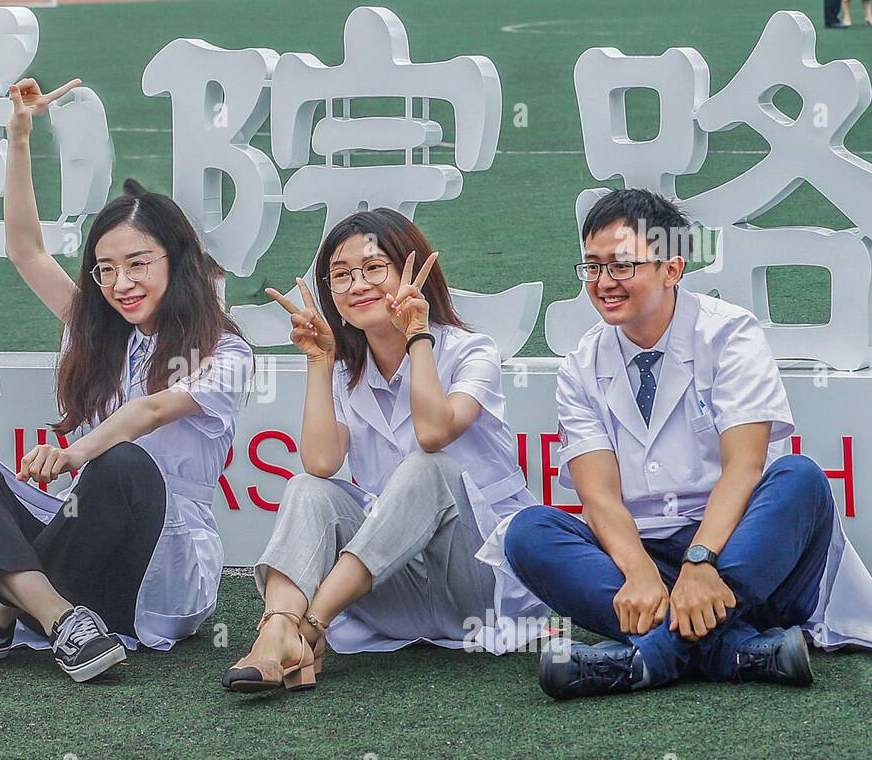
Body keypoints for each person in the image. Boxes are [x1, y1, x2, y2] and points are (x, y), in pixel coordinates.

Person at [0, 78, 254, 683]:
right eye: (105, 269)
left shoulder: (225, 349)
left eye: (138, 264)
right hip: (75, 542)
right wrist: (18, 135)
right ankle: (59, 619)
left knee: (125, 465)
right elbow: (26, 249)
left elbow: (151, 412)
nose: (120, 284)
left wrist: (73, 452)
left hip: (155, 562)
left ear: (179, 261)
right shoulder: (92, 326)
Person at [495, 188, 872, 701]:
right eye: (592, 267)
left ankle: (649, 656)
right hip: (644, 563)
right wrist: (639, 570)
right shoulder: (581, 364)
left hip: (742, 557)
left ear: (672, 268)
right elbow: (599, 496)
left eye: (621, 266)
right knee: (527, 532)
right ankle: (736, 651)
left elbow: (744, 468)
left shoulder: (730, 334)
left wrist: (700, 563)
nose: (604, 283)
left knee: (800, 479)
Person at [221, 209, 547, 694]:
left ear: (413, 273)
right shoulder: (346, 370)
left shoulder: (470, 350)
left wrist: (417, 334)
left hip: (480, 587)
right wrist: (320, 360)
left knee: (428, 466)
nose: (358, 284)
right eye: (341, 276)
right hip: (393, 590)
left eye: (374, 268)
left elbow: (435, 433)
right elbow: (321, 463)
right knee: (307, 487)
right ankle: (276, 633)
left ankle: (309, 630)